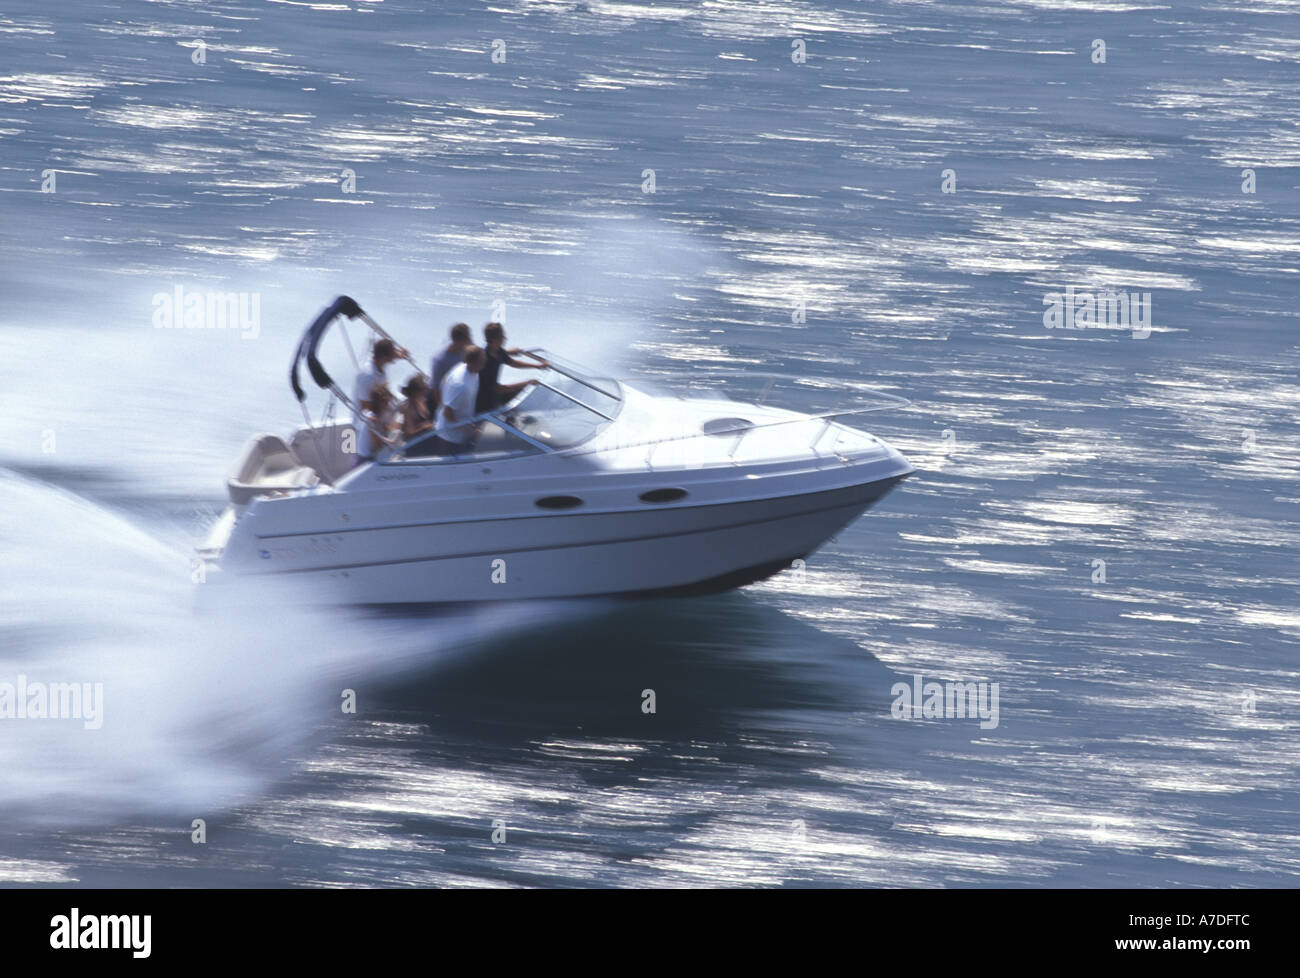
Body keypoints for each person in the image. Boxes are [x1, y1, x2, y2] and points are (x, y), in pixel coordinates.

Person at [474, 322, 547, 415]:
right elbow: (498, 389)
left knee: (522, 390)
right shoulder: (484, 360)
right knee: (521, 389)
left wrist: (537, 366)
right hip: (484, 404)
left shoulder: (499, 351)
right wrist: (527, 383)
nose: (505, 339)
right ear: (493, 340)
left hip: (495, 395)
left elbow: (513, 363)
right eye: (502, 337)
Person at [431, 345, 486, 456]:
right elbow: (448, 414)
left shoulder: (472, 372)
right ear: (474, 363)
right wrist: (468, 430)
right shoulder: (460, 385)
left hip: (462, 430)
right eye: (482, 360)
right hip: (450, 436)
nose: (485, 363)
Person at [352, 338, 405, 426]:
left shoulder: (378, 363)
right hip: (366, 424)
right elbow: (365, 408)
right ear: (385, 357)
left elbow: (392, 355)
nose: (395, 354)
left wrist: (401, 355)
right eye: (393, 353)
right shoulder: (367, 375)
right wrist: (385, 426)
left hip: (380, 414)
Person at [429, 323, 473, 412]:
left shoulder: (466, 349)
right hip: (444, 400)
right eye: (468, 338)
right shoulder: (440, 360)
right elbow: (436, 389)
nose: (470, 340)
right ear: (458, 341)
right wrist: (443, 411)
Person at [354, 383, 399, 464]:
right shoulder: (372, 419)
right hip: (365, 461)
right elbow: (377, 445)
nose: (389, 406)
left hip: (362, 458)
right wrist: (391, 442)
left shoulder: (368, 414)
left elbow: (384, 430)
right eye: (387, 403)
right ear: (381, 403)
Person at [399, 375, 434, 441]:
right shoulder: (408, 408)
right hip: (416, 443)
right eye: (422, 389)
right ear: (415, 391)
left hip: (428, 438)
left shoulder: (422, 401)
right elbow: (409, 432)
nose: (424, 391)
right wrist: (423, 427)